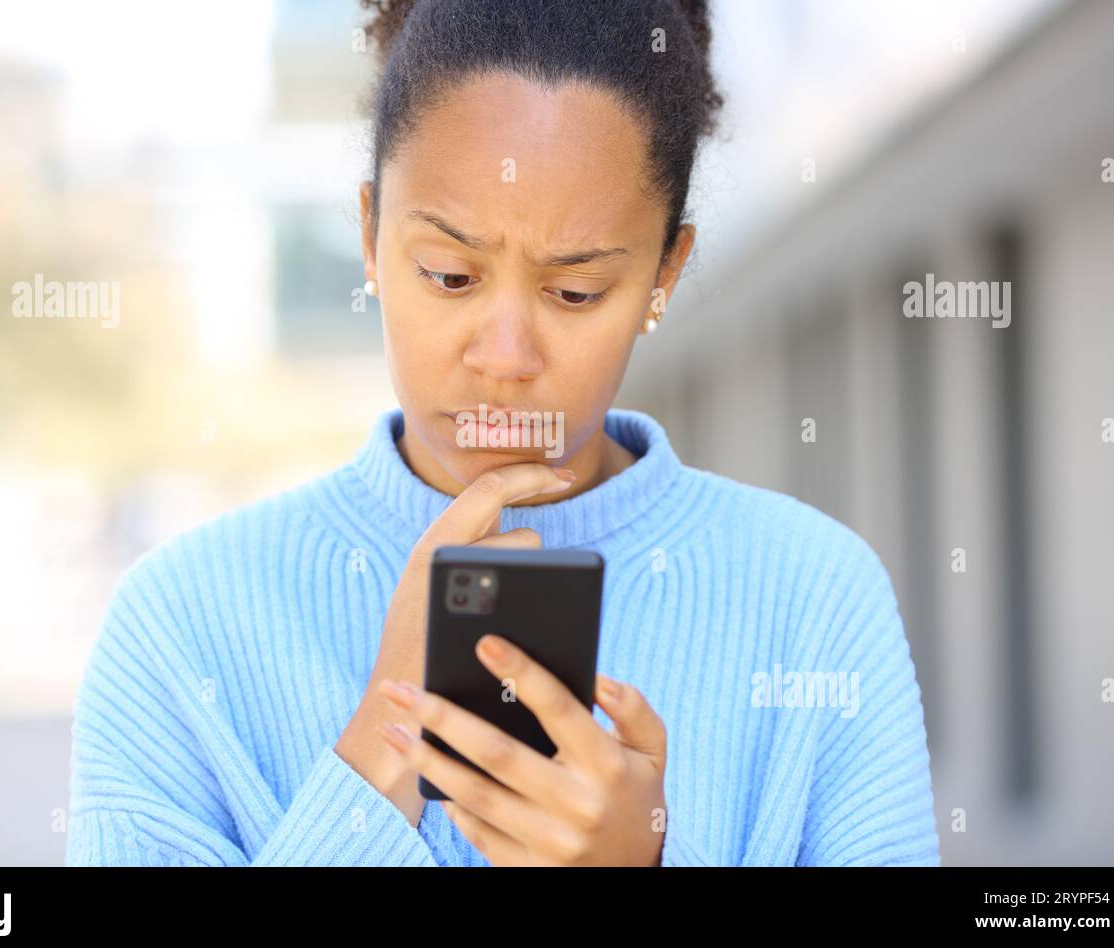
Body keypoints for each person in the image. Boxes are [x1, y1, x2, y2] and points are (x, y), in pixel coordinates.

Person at [64, 0, 941, 866]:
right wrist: (385, 740)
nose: (507, 356)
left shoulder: (815, 600)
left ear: (666, 273)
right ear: (369, 236)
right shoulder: (180, 626)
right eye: (450, 275)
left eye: (576, 292)